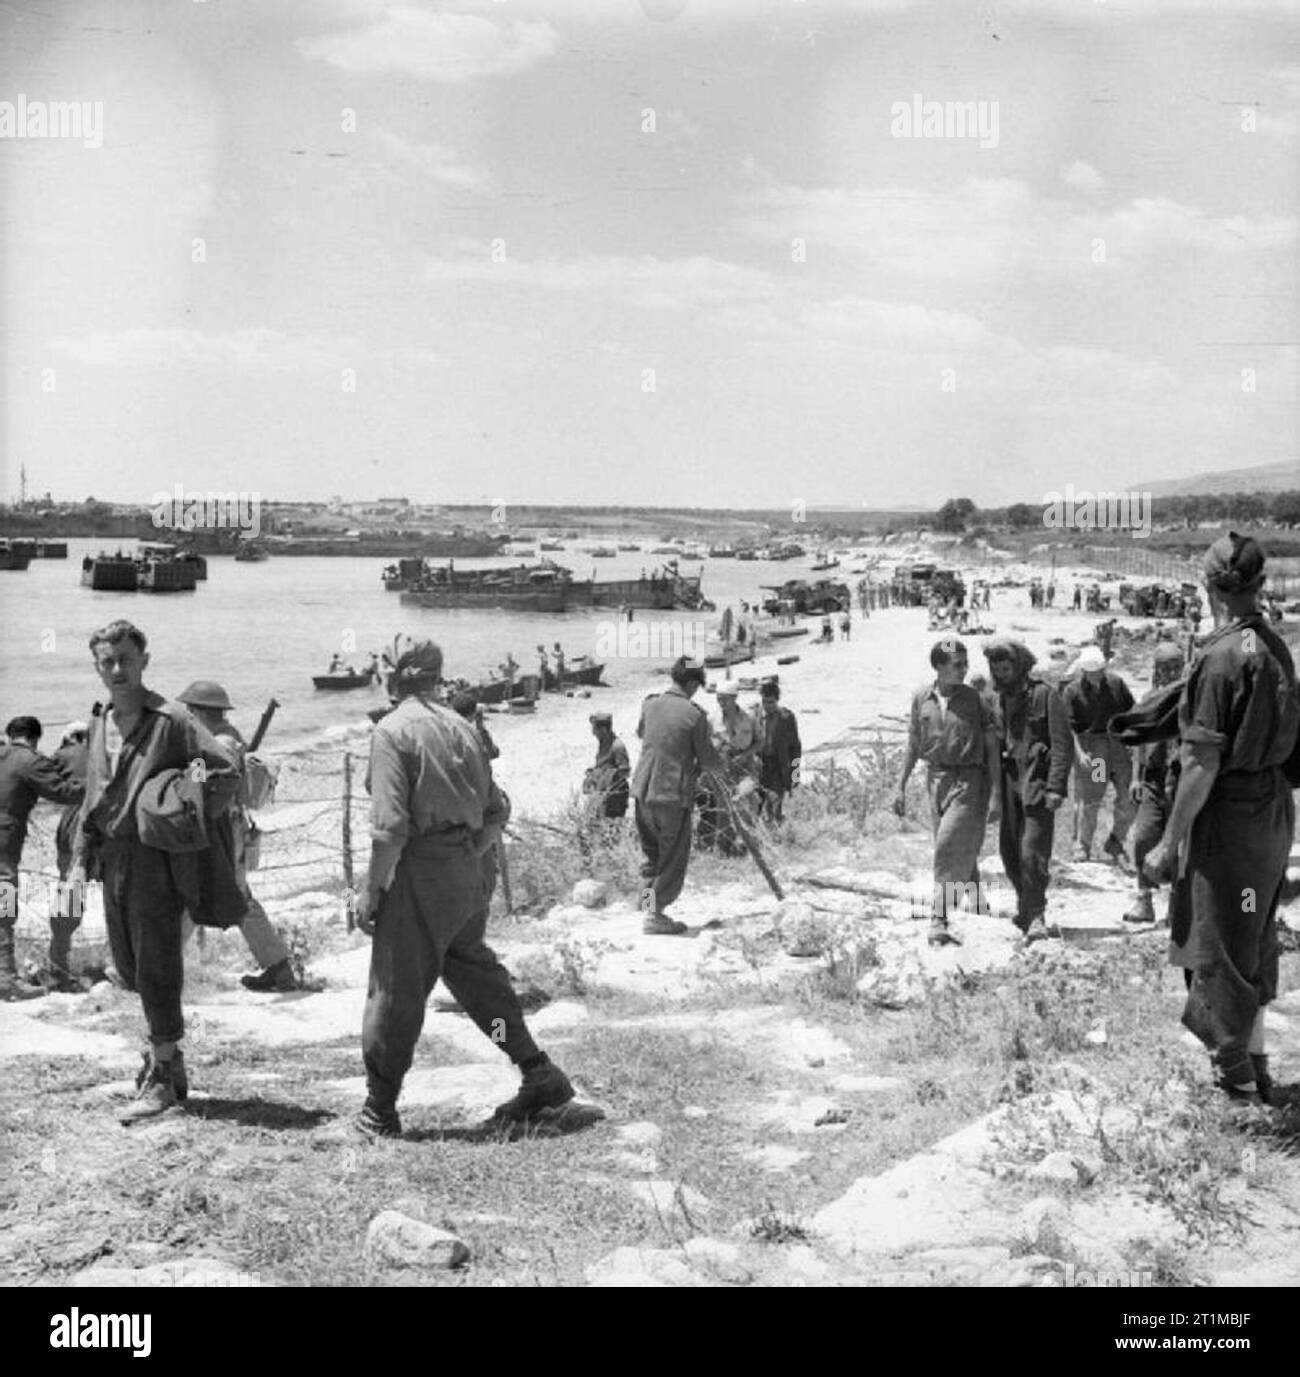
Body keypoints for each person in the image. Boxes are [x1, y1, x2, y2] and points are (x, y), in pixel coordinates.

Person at [352, 640, 573, 1139]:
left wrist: (370, 891)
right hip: (467, 872)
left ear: (394, 678)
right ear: (436, 677)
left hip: (419, 872)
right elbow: (496, 811)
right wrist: (468, 857)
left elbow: (389, 829)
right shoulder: (462, 726)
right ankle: (535, 1069)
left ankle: (379, 1108)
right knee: (475, 979)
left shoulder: (391, 731)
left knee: (395, 988)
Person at [1143, 534, 1298, 1107]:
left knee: (1217, 946)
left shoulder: (1218, 657)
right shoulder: (1273, 646)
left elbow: (1202, 761)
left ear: (1209, 586)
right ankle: (1254, 1067)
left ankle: (1235, 1088)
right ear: (1258, 586)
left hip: (1228, 819)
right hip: (1270, 813)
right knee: (1252, 937)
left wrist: (1169, 843)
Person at [68, 621, 241, 1121]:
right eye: (108, 661)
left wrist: (183, 803)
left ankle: (162, 1076)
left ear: (144, 661)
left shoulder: (174, 718)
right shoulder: (100, 717)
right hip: (114, 856)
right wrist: (81, 857)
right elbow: (94, 792)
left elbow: (223, 770)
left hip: (157, 859)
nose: (118, 669)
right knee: (129, 966)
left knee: (157, 964)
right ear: (97, 667)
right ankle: (169, 1060)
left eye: (126, 658)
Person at [174, 681, 300, 993]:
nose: (188, 716)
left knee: (233, 898)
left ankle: (279, 967)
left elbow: (213, 782)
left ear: (202, 711)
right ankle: (162, 965)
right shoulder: (225, 739)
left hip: (222, 830)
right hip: (223, 827)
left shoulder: (222, 743)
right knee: (201, 895)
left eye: (191, 710)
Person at [894, 641, 1000, 946]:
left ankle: (939, 918)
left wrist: (995, 795)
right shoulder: (921, 699)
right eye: (957, 664)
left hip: (969, 781)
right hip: (935, 780)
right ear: (938, 667)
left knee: (948, 846)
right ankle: (978, 901)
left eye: (965, 663)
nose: (964, 669)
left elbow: (992, 748)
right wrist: (899, 786)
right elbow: (914, 744)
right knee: (956, 843)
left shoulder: (976, 700)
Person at [984, 638, 1072, 943]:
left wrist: (1057, 786)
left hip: (1076, 764)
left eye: (1006, 668)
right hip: (1010, 783)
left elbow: (1064, 743)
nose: (1002, 674)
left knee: (1032, 851)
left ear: (1019, 666)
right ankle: (1025, 903)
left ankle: (1036, 913)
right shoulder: (997, 699)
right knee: (1009, 852)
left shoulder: (1046, 695)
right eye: (997, 669)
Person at [630, 656, 722, 935]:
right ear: (693, 683)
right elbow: (708, 761)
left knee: (651, 855)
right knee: (672, 858)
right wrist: (721, 761)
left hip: (643, 791)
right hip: (671, 795)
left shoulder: (650, 704)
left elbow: (643, 734)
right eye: (697, 686)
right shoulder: (695, 715)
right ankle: (655, 915)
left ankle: (647, 905)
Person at [0, 716, 85, 1000]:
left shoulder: (11, 754)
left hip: (63, 836)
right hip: (7, 841)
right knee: (4, 904)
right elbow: (64, 792)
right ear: (36, 737)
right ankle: (7, 976)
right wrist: (101, 786)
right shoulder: (31, 760)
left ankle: (56, 961)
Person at [1113, 642, 1186, 925]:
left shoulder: (1191, 698)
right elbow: (1139, 744)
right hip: (1153, 781)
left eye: (1174, 667)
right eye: (1164, 667)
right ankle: (1144, 899)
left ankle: (1177, 906)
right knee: (1143, 836)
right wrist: (1135, 778)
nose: (1169, 672)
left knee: (1180, 843)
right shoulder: (1150, 699)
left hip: (1181, 781)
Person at [1061, 644, 1136, 864]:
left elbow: (1131, 712)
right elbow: (1070, 728)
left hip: (1118, 747)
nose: (1097, 676)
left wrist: (1132, 740)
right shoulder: (1073, 691)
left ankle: (1116, 841)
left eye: (1100, 671)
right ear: (1084, 672)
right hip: (1096, 752)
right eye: (1092, 673)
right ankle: (1082, 845)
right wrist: (1081, 753)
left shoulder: (1116, 684)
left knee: (1128, 798)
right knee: (1092, 799)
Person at [755, 679, 802, 824]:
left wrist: (795, 774)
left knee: (774, 804)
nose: (767, 706)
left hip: (778, 766)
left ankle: (777, 835)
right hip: (759, 766)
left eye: (771, 702)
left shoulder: (786, 718)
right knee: (756, 805)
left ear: (777, 700)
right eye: (764, 702)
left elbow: (796, 747)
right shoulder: (755, 716)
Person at [583, 712, 630, 820]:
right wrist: (595, 772)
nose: (593, 733)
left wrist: (606, 776)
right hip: (601, 795)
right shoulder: (603, 743)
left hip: (613, 799)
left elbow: (624, 772)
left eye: (595, 729)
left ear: (604, 729)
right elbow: (605, 765)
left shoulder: (617, 746)